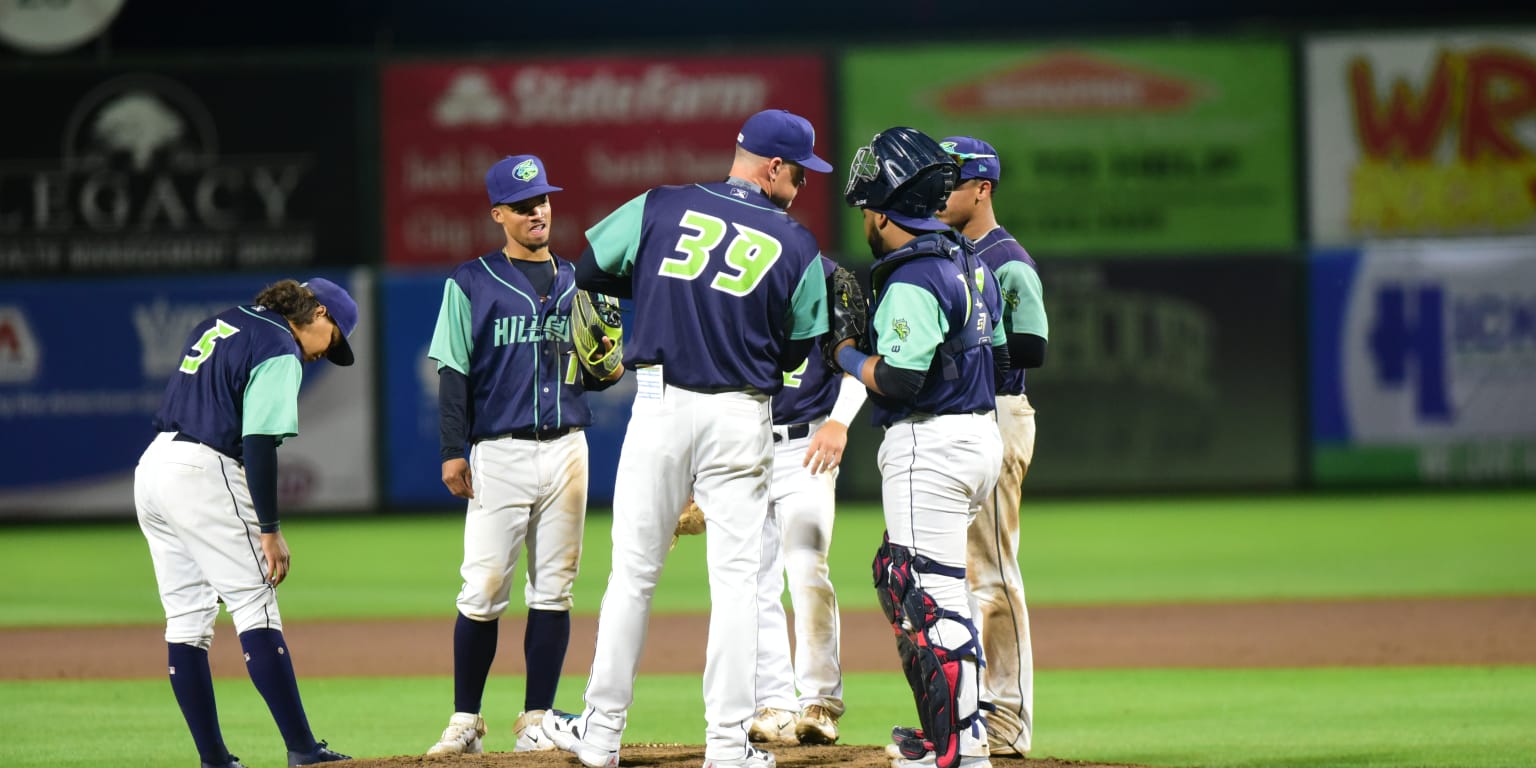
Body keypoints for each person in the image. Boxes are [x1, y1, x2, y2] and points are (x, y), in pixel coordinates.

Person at [541, 108, 832, 768]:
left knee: (633, 577)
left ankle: (602, 734)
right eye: (801, 171)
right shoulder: (798, 245)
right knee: (736, 587)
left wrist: (656, 286)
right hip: (741, 415)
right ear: (773, 168)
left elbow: (587, 269)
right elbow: (799, 347)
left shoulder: (660, 204)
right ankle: (729, 749)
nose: (805, 184)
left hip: (660, 406)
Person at [424, 155, 625, 756]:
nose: (537, 211)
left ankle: (537, 718)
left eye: (542, 200)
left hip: (567, 447)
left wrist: (606, 363)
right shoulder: (470, 281)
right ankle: (465, 721)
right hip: (498, 452)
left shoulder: (577, 280)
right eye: (523, 205)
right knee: (482, 590)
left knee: (554, 591)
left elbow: (601, 372)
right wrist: (451, 451)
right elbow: (453, 372)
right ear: (499, 215)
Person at [829, 126, 1008, 768]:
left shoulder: (913, 276)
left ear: (883, 209)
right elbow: (1004, 352)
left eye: (867, 208)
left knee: (924, 590)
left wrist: (844, 353)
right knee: (914, 582)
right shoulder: (967, 258)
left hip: (929, 442)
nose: (866, 220)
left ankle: (960, 747)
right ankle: (950, 731)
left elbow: (901, 378)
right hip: (976, 433)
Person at [134, 277, 357, 768]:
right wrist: (270, 528)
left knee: (188, 621)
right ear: (319, 314)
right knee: (256, 604)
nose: (326, 354)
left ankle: (215, 760)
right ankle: (304, 750)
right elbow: (257, 442)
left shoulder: (224, 320)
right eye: (335, 339)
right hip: (203, 470)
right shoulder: (279, 345)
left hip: (152, 467)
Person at [937, 136, 1049, 760]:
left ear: (982, 189)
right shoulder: (952, 251)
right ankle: (970, 707)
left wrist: (981, 334)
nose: (940, 194)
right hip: (964, 415)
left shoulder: (1007, 259)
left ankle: (1007, 716)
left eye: (951, 183)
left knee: (995, 572)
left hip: (1001, 412)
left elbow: (1033, 347)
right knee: (957, 573)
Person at [746, 256, 868, 748]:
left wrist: (839, 421)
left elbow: (859, 361)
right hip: (745, 445)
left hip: (807, 447)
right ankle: (773, 702)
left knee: (806, 569)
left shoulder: (827, 276)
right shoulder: (732, 274)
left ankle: (818, 700)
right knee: (753, 579)